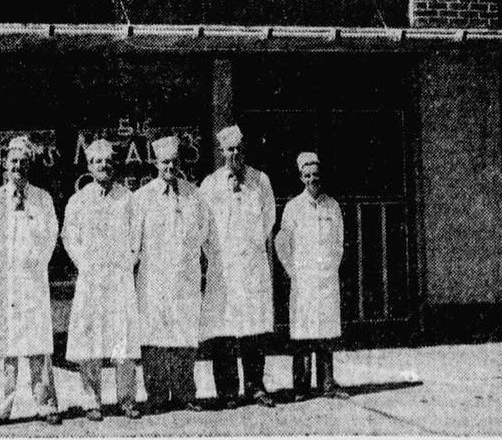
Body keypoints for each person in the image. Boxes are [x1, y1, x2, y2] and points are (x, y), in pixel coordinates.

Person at [0, 136, 62, 428]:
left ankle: (45, 404)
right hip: (6, 283)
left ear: (30, 165)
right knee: (6, 347)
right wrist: (1, 271)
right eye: (13, 161)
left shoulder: (43, 199)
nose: (18, 167)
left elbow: (50, 236)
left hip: (33, 281)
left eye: (24, 162)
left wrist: (34, 263)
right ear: (4, 164)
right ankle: (1, 409)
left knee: (38, 344)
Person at [62, 138, 142, 421]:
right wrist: (86, 264)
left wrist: (126, 263)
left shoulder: (127, 198)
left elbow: (137, 237)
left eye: (108, 160)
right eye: (97, 161)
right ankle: (91, 400)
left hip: (119, 278)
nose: (103, 165)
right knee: (90, 342)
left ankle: (127, 399)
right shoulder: (79, 199)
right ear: (89, 166)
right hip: (92, 280)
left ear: (114, 164)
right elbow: (69, 237)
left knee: (122, 340)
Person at [199, 124, 276, 408]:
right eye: (230, 149)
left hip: (252, 264)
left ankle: (255, 387)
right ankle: (228, 391)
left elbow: (269, 218)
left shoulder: (260, 180)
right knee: (225, 330)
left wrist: (252, 246)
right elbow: (203, 226)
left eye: (239, 148)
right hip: (223, 268)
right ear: (222, 153)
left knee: (253, 328)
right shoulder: (210, 184)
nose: (235, 154)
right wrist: (217, 256)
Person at [133, 135, 210, 413]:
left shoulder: (194, 194)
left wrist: (187, 259)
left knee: (183, 337)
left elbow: (203, 231)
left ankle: (184, 394)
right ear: (155, 163)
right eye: (165, 162)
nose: (170, 167)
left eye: (174, 162)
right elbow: (134, 241)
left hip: (185, 278)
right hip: (153, 279)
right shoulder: (142, 197)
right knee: (154, 338)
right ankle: (156, 396)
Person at [275, 151, 349, 400]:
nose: (312, 180)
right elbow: (281, 242)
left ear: (321, 176)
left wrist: (330, 268)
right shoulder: (293, 207)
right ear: (300, 177)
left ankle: (328, 384)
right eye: (307, 175)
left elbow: (339, 243)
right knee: (302, 334)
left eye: (316, 175)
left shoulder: (333, 206)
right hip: (303, 280)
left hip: (326, 278)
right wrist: (292, 270)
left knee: (326, 333)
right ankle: (301, 388)